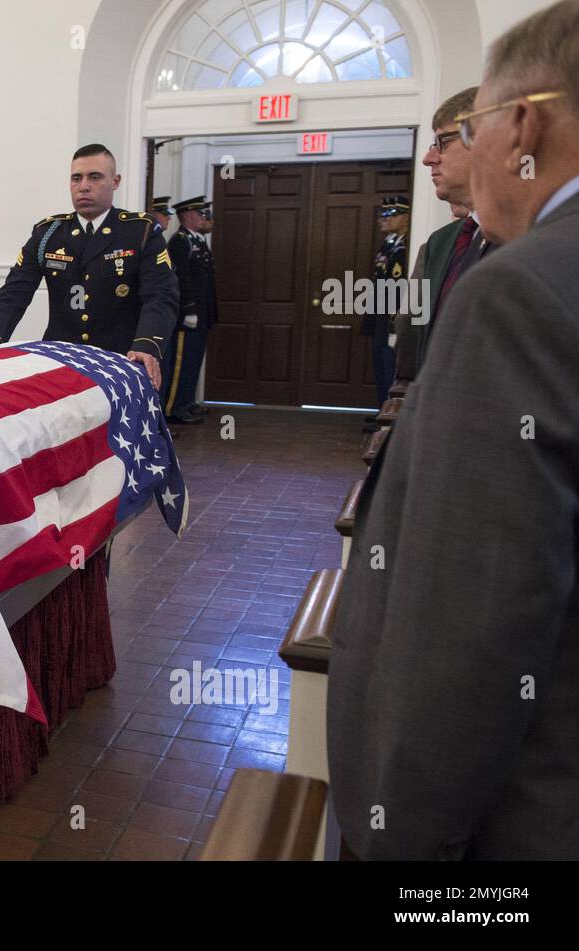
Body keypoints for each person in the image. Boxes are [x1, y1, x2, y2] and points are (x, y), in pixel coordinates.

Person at [327, 0, 579, 860]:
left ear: (522, 125)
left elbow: (472, 623)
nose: (448, 159)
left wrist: (399, 838)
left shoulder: (522, 288)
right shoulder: (465, 256)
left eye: (464, 129)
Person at [0, 144, 179, 391]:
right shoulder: (48, 233)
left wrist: (146, 346)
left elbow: (160, 296)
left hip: (120, 362)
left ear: (115, 181)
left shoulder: (140, 231)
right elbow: (14, 294)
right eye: (77, 178)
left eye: (95, 177)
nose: (84, 186)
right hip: (61, 362)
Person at [396, 87, 492, 380]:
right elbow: (412, 341)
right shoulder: (441, 243)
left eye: (442, 142)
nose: (428, 158)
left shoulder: (534, 236)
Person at [165, 196, 216, 424]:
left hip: (201, 313)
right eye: (201, 214)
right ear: (188, 216)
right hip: (188, 315)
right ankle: (174, 407)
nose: (206, 218)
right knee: (180, 362)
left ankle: (187, 402)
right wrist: (188, 309)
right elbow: (180, 278)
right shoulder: (180, 241)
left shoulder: (198, 241)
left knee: (193, 361)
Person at [361, 196, 409, 429]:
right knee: (380, 364)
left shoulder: (405, 246)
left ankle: (389, 417)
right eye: (384, 215)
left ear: (406, 217)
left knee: (390, 366)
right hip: (380, 313)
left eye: (390, 215)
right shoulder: (390, 243)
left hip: (391, 316)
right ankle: (383, 410)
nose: (383, 220)